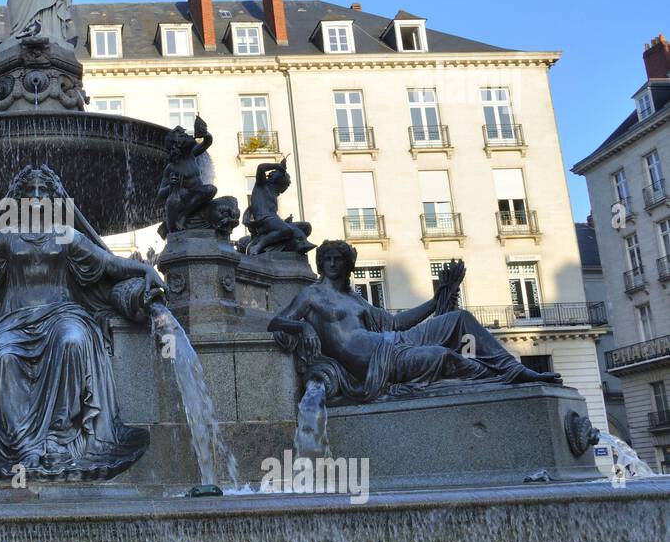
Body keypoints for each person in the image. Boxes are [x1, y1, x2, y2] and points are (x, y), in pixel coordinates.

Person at [0, 165, 163, 478]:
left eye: (45, 191)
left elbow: (108, 262)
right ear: (19, 199)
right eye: (31, 192)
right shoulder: (7, 238)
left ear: (56, 198)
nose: (38, 197)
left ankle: (58, 437)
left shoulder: (67, 236)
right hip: (13, 322)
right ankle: (23, 445)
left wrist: (145, 271)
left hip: (63, 314)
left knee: (73, 341)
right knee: (3, 355)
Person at [270, 241, 561, 404]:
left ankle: (515, 370)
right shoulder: (312, 295)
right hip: (378, 364)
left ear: (348, 265)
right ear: (321, 263)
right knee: (441, 356)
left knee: (459, 318)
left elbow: (396, 324)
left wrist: (437, 300)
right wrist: (305, 326)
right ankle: (501, 378)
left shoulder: (356, 300)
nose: (333, 264)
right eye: (328, 259)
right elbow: (278, 322)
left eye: (338, 259)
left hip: (392, 343)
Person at [157, 118, 218, 235]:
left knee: (211, 189)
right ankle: (182, 216)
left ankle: (185, 215)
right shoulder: (172, 167)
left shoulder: (191, 155)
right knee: (173, 199)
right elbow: (160, 196)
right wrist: (171, 185)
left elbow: (207, 142)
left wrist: (205, 134)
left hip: (198, 193)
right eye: (183, 136)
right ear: (177, 144)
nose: (187, 135)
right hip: (183, 199)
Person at [242, 158, 314, 254]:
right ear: (278, 179)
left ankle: (294, 249)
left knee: (305, 227)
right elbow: (260, 168)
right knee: (286, 229)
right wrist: (277, 166)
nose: (285, 188)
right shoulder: (262, 185)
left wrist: (283, 221)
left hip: (272, 220)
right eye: (285, 184)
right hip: (263, 220)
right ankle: (258, 246)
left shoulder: (273, 193)